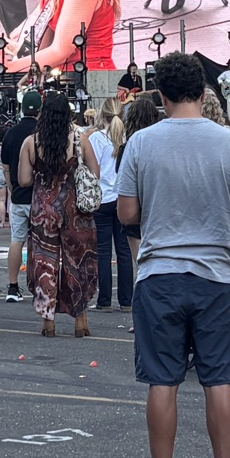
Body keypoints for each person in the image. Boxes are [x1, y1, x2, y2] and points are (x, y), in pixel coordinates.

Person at [117, 52, 230, 458]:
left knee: (162, 380)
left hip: (159, 274)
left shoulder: (141, 143)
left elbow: (126, 212)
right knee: (219, 379)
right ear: (203, 91)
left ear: (161, 95)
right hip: (216, 276)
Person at [20, 91, 100, 337]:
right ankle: (81, 321)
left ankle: (48, 322)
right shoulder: (80, 139)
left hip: (43, 211)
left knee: (45, 261)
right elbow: (95, 173)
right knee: (78, 260)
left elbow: (23, 180)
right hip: (75, 210)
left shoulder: (31, 143)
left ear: (43, 114)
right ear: (68, 113)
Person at [89, 98, 134, 312]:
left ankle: (104, 300)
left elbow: (93, 169)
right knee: (124, 251)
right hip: (123, 197)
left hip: (102, 198)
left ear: (102, 115)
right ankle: (126, 300)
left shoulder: (96, 138)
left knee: (103, 251)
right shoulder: (128, 138)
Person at [0, 88, 42, 303]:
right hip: (40, 196)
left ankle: (13, 287)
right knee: (41, 243)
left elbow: (5, 167)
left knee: (17, 241)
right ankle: (40, 285)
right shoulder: (42, 133)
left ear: (21, 109)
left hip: (18, 196)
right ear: (40, 111)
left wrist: (11, 187)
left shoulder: (11, 133)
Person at [119, 94, 162, 269]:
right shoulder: (163, 146)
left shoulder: (128, 147)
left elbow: (121, 177)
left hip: (136, 210)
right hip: (159, 209)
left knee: (141, 266)